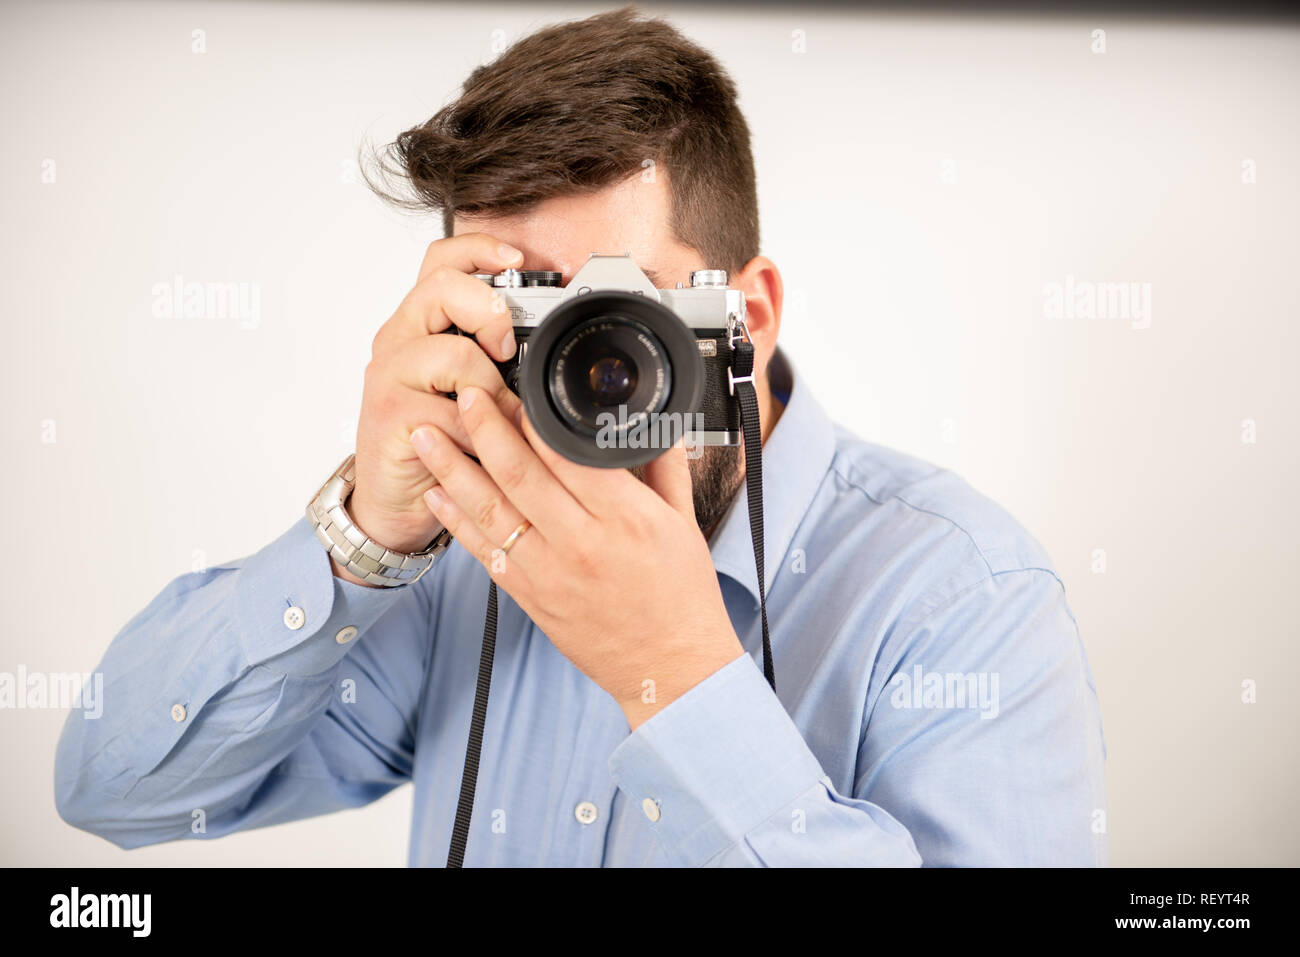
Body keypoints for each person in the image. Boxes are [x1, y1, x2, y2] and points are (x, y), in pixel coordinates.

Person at [55, 7, 1106, 866]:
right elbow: (116, 792)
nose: (582, 364)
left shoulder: (963, 598)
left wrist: (676, 676)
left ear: (747, 317)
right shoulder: (462, 555)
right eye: (527, 305)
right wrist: (365, 533)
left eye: (618, 311)